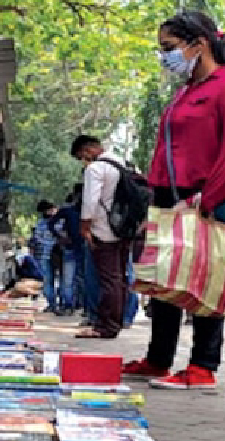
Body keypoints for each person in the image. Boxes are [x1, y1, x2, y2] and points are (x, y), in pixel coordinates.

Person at [120, 10, 225, 390]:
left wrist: (207, 199)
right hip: (169, 195)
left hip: (208, 195)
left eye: (169, 48)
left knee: (207, 279)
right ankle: (158, 358)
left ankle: (203, 366)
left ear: (199, 44)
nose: (164, 57)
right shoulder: (185, 92)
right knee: (164, 281)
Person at [71, 134, 131, 340]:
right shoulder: (122, 164)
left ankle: (106, 326)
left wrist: (85, 227)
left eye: (82, 155)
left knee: (108, 280)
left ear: (88, 149)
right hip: (123, 229)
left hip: (103, 230)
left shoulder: (95, 169)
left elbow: (90, 201)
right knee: (119, 278)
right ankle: (116, 321)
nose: (84, 159)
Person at [30, 200, 60, 313]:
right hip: (58, 254)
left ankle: (52, 304)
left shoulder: (41, 223)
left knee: (48, 281)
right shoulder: (60, 222)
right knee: (63, 281)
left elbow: (37, 238)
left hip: (46, 255)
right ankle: (61, 305)